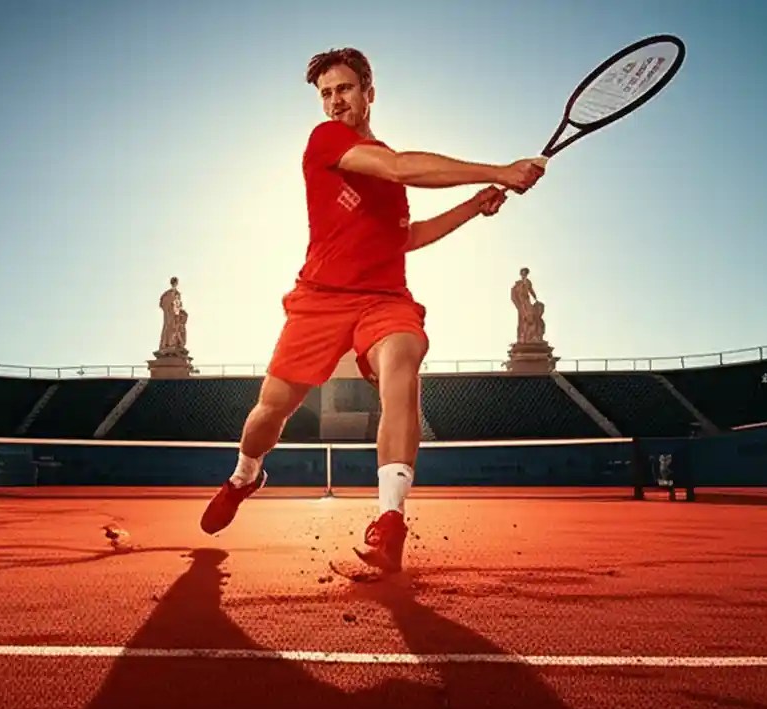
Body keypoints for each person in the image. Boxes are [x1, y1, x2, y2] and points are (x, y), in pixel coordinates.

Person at [200, 47, 546, 573]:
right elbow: (400, 167)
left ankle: (389, 520)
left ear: (368, 92)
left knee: (402, 364)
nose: (335, 101)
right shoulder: (327, 141)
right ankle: (245, 475)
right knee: (270, 411)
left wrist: (475, 204)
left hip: (385, 302)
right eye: (326, 94)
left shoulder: (386, 175)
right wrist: (499, 169)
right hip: (320, 299)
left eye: (344, 89)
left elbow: (404, 238)